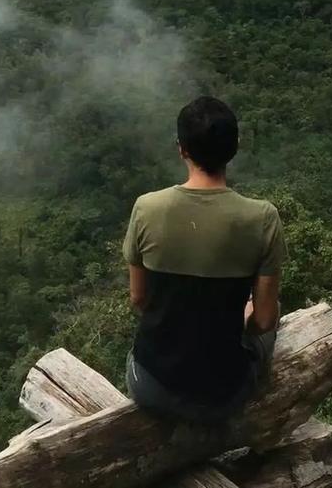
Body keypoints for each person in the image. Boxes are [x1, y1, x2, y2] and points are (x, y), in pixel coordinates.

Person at [123, 95, 287, 424]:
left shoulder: (147, 208)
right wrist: (245, 318)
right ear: (235, 147)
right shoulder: (263, 218)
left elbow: (139, 299)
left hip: (152, 386)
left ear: (181, 148)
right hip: (224, 395)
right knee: (272, 311)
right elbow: (265, 320)